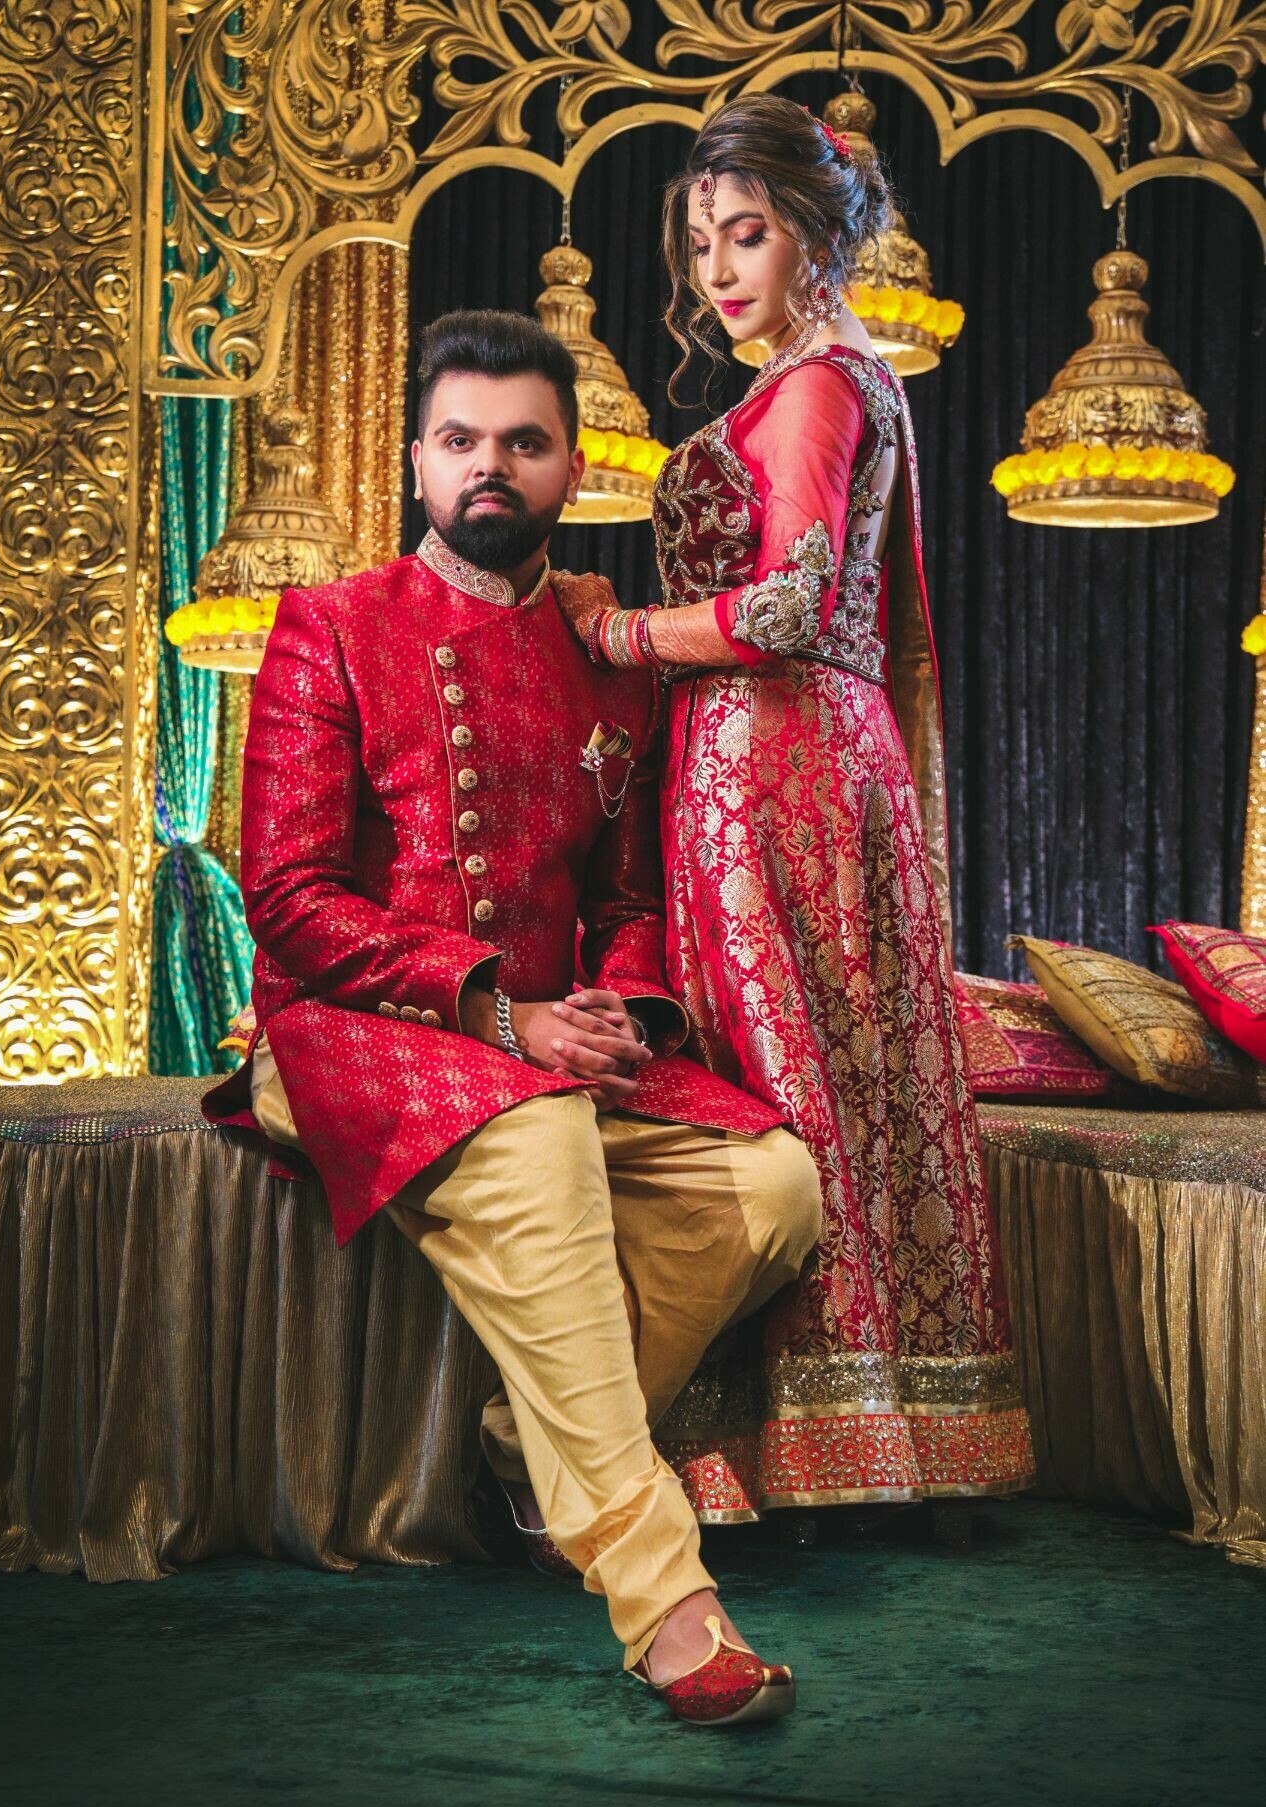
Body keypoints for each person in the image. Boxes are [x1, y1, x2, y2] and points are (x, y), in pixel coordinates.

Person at [200, 309, 823, 1725]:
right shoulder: (332, 625)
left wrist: (622, 1002)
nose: (491, 464)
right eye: (461, 440)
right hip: (352, 1027)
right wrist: (496, 1007)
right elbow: (286, 896)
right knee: (540, 1137)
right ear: (418, 462)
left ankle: (518, 1449)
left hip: (547, 1043)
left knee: (773, 1187)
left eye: (523, 442)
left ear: (568, 466)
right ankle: (668, 1605)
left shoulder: (611, 650)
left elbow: (625, 893)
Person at [567, 97, 1035, 1518]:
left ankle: (788, 1443)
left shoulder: (820, 386)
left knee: (777, 1081)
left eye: (746, 234)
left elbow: (788, 605)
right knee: (816, 1071)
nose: (716, 268)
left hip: (773, 760)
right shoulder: (836, 378)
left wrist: (616, 634)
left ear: (816, 238)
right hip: (801, 755)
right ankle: (850, 1434)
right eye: (700, 241)